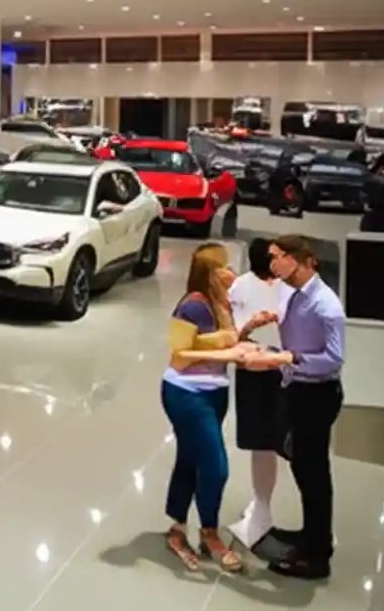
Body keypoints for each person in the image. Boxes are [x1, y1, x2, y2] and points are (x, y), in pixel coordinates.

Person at [241, 234, 345, 580]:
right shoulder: (294, 295)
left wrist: (291, 358)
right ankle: (312, 534)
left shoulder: (325, 305)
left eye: (276, 257)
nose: (271, 265)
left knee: (314, 475)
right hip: (297, 391)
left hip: (317, 395)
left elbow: (333, 359)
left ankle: (317, 555)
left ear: (297, 259)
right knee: (303, 469)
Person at [161, 242, 253, 573]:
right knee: (216, 465)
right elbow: (179, 357)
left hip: (215, 393)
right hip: (187, 394)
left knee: (189, 457)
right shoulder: (192, 306)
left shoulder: (222, 303)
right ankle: (210, 533)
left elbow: (230, 336)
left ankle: (177, 527)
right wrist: (227, 354)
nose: (232, 273)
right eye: (225, 268)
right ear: (210, 273)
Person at [226, 238, 291, 548]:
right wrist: (251, 325)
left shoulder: (287, 288)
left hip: (279, 369)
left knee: (272, 440)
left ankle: (263, 503)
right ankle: (260, 501)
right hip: (252, 368)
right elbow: (232, 333)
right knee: (258, 441)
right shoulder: (240, 287)